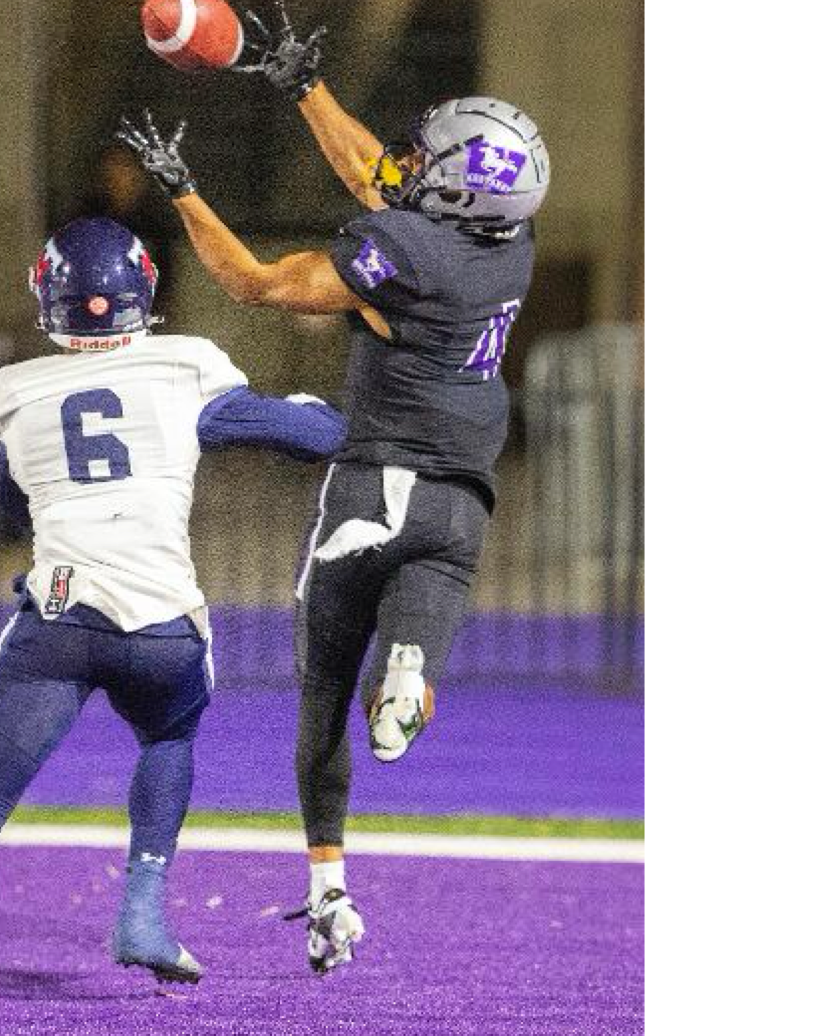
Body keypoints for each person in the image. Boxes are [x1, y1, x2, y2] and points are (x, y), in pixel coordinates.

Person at [116, 0, 550, 974]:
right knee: (418, 624)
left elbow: (258, 284)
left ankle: (328, 887)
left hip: (376, 472)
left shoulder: (406, 256)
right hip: (461, 480)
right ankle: (410, 676)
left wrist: (183, 191)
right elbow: (381, 178)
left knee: (321, 693)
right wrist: (302, 83)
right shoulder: (503, 243)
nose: (409, 161)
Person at [0, 215, 346, 1017]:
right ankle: (143, 914)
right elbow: (310, 435)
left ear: (47, 299)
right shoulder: (186, 368)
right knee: (168, 735)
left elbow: (8, 500)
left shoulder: (8, 392)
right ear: (144, 291)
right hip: (163, 626)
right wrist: (330, 409)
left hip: (59, 622)